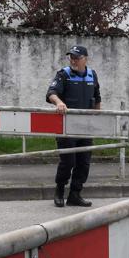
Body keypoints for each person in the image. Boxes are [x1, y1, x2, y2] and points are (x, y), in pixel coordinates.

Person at [46, 45, 101, 207]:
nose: (73, 61)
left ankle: (75, 194)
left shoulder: (92, 75)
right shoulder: (64, 74)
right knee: (68, 161)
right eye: (71, 57)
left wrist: (98, 118)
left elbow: (97, 98)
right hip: (67, 127)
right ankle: (59, 191)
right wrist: (59, 102)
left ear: (85, 59)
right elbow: (51, 93)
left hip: (86, 127)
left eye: (77, 58)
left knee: (84, 163)